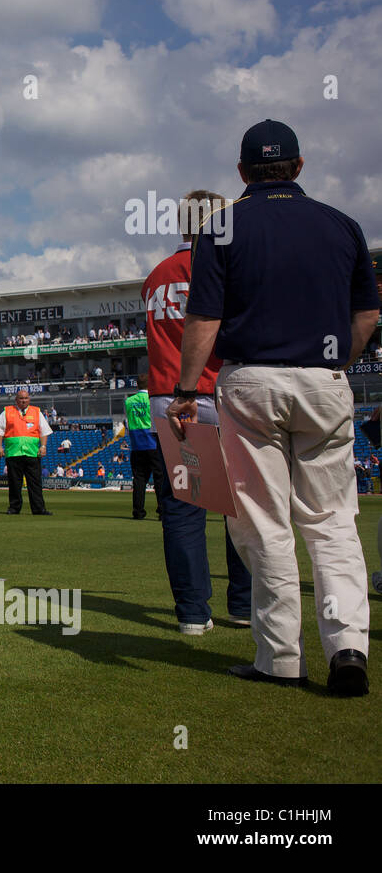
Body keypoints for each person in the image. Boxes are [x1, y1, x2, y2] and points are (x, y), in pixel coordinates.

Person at [167, 120, 377, 695]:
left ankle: (281, 658)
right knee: (333, 523)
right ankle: (349, 646)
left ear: (242, 174)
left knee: (265, 521)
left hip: (252, 380)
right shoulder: (343, 225)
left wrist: (186, 392)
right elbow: (366, 317)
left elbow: (204, 319)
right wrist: (334, 364)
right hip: (324, 379)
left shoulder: (223, 225)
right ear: (299, 166)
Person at [146, 192, 252, 634]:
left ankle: (192, 613)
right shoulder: (223, 264)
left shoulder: (155, 275)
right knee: (241, 505)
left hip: (166, 399)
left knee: (182, 510)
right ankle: (244, 605)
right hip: (216, 392)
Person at [0, 388, 53, 515]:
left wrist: (43, 446)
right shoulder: (7, 412)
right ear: (16, 400)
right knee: (15, 482)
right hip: (13, 453)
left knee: (35, 483)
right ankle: (14, 508)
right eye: (21, 398)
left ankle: (38, 509)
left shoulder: (37, 412)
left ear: (29, 399)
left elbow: (44, 431)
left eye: (25, 398)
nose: (23, 401)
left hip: (32, 453)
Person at [124, 382, 165, 520]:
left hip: (136, 443)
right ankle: (162, 511)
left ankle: (138, 511)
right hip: (152, 442)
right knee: (159, 478)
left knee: (139, 479)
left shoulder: (129, 401)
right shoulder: (151, 400)